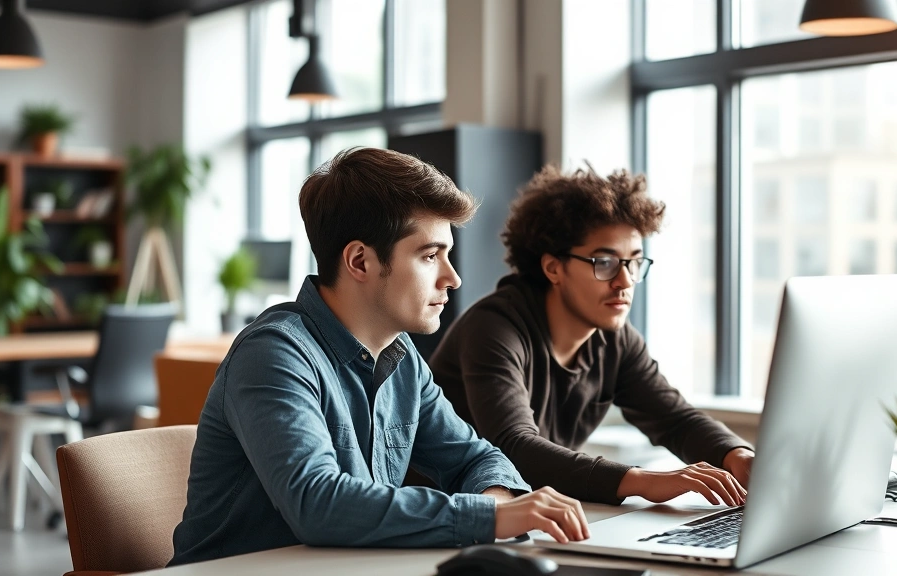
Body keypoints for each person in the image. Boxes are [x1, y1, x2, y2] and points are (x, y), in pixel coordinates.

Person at [170, 148, 589, 566]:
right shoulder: (274, 354)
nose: (453, 278)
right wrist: (489, 516)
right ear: (359, 261)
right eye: (429, 256)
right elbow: (318, 504)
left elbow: (477, 459)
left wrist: (497, 506)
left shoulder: (403, 360)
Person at [428, 165, 755, 507]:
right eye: (605, 262)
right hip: (445, 521)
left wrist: (739, 455)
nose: (625, 282)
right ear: (553, 267)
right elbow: (513, 446)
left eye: (634, 263)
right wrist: (642, 481)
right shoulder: (494, 327)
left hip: (525, 514)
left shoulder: (616, 339)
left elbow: (674, 420)